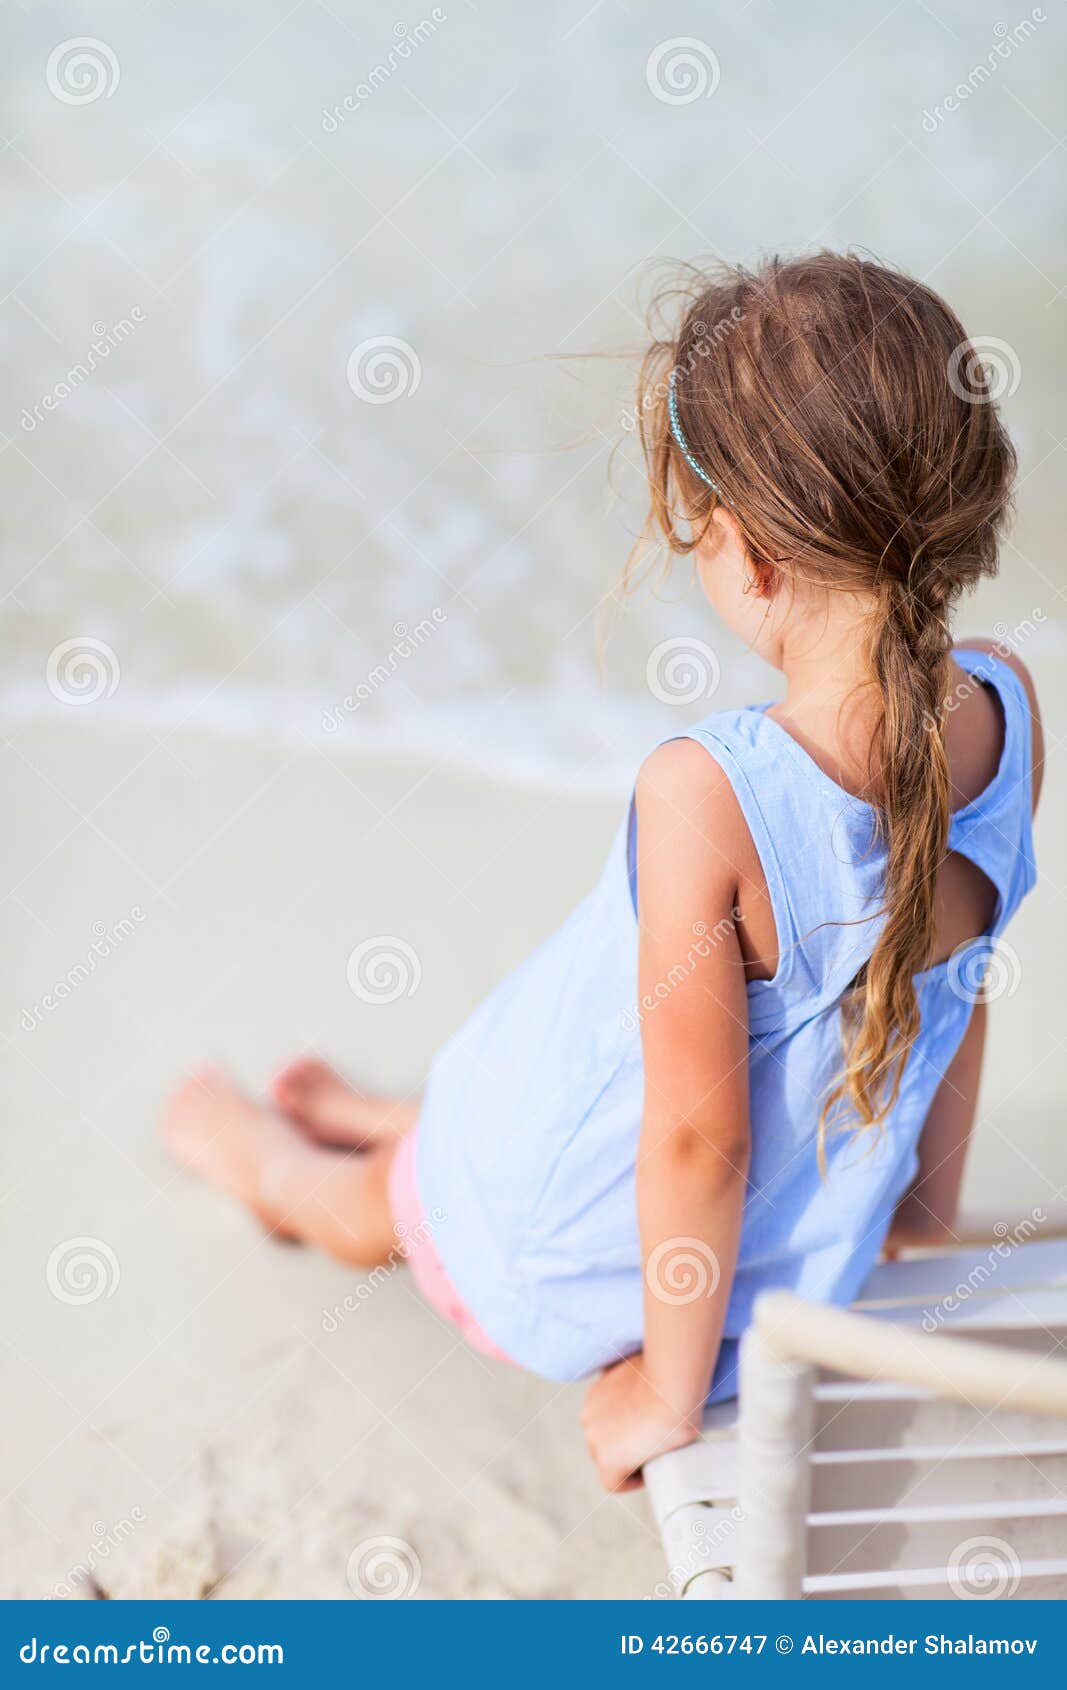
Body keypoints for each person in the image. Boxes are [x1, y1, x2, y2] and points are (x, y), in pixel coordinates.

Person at [162, 253, 1041, 1493]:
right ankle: (410, 1121)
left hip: (574, 1235)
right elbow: (961, 979)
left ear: (748, 559)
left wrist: (666, 1397)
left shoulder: (709, 796)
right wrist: (917, 1214)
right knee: (531, 1084)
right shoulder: (1002, 707)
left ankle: (269, 1159)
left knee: (373, 1203)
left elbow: (694, 1142)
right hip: (806, 1231)